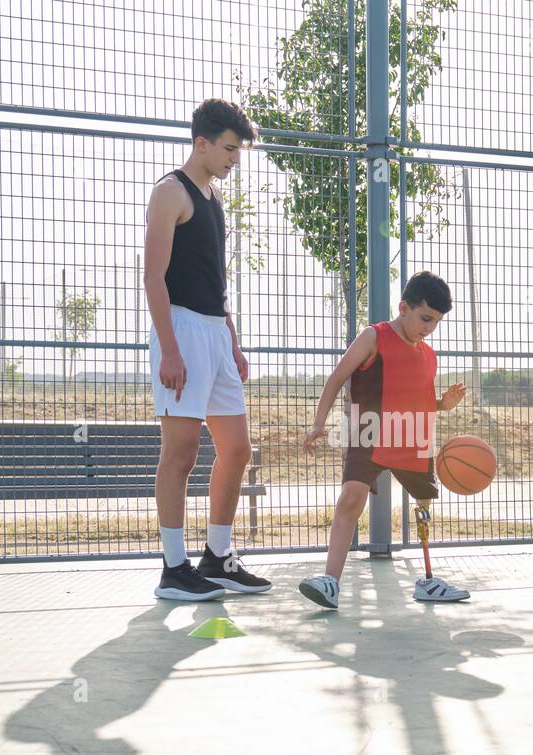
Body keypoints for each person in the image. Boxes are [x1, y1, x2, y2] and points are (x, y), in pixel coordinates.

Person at [143, 98, 271, 600]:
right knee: (181, 451)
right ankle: (174, 569)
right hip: (181, 328)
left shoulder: (214, 196)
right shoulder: (169, 193)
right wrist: (170, 351)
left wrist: (232, 342)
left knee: (236, 449)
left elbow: (214, 282)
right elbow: (154, 277)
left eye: (239, 151)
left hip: (216, 331)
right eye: (229, 149)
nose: (235, 159)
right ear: (201, 142)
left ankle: (217, 557)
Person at [298, 272, 470, 610]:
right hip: (369, 434)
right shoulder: (372, 337)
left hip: (412, 436)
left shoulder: (428, 355)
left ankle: (429, 580)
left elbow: (418, 399)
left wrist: (442, 405)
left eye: (436, 322)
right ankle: (330, 581)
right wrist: (319, 423)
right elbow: (336, 378)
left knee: (423, 507)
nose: (429, 328)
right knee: (351, 497)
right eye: (425, 318)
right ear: (403, 307)